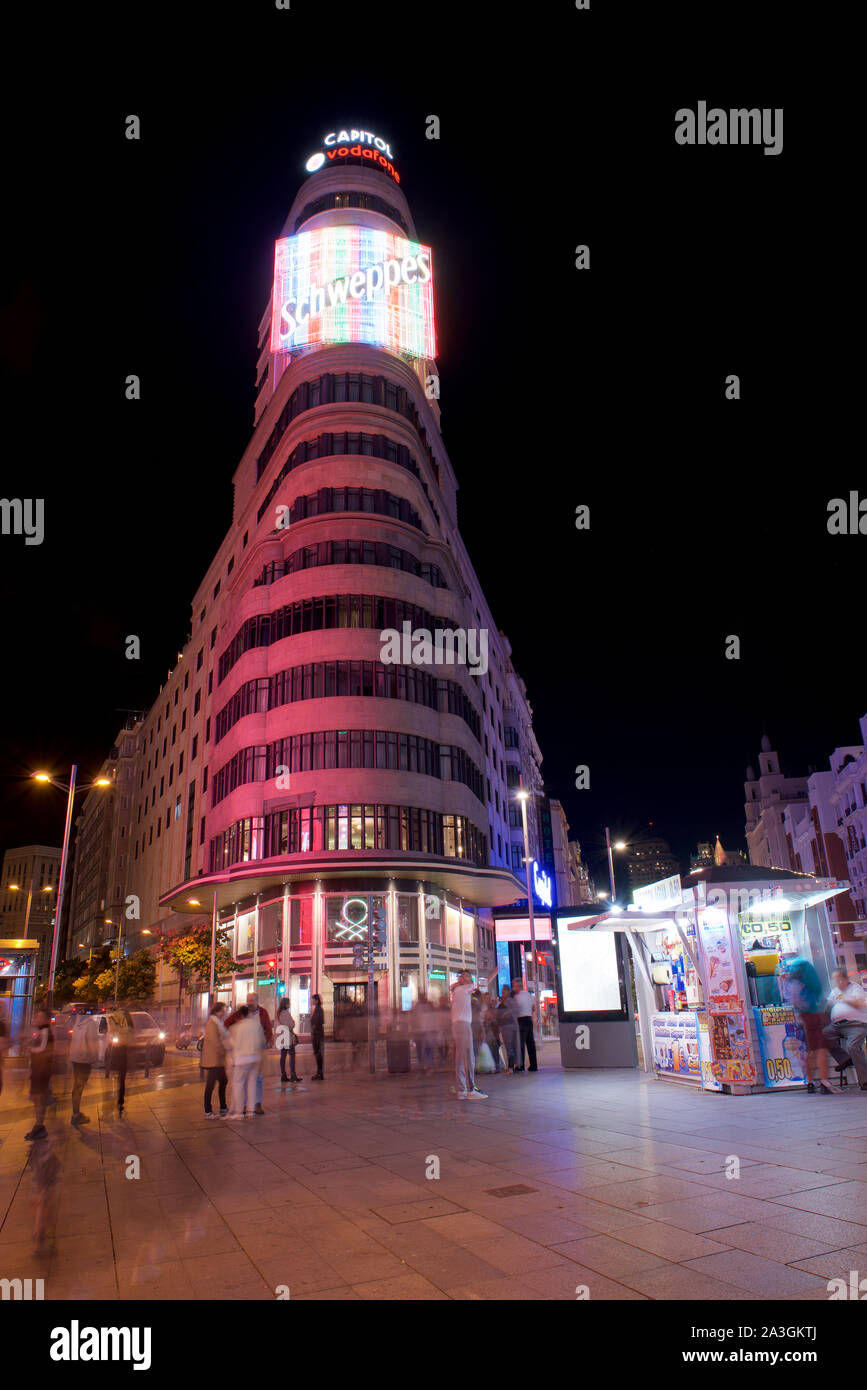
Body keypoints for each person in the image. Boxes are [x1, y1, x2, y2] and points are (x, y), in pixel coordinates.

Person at [783, 958, 834, 1094]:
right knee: (821, 1049)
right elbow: (817, 992)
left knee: (810, 1051)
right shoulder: (807, 979)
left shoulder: (791, 982)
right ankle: (824, 1081)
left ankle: (810, 1082)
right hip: (813, 1015)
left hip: (802, 1017)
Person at [226, 991, 273, 1114]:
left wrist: (267, 1041)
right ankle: (246, 1105)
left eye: (252, 1001)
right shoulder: (242, 1012)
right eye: (248, 1000)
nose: (250, 1003)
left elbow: (268, 1028)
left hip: (258, 1049)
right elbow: (227, 1023)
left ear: (257, 1001)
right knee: (248, 1080)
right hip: (247, 1051)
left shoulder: (263, 1013)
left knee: (258, 1079)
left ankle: (256, 1104)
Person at [823, 968, 867, 1090]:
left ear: (845, 979)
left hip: (856, 1024)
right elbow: (828, 1006)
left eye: (838, 979)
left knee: (853, 1046)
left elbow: (859, 1004)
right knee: (823, 1035)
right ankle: (844, 1059)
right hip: (837, 1025)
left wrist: (844, 998)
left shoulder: (855, 988)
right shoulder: (834, 992)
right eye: (834, 979)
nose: (836, 982)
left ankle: (865, 1080)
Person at [225, 1005, 265, 1118]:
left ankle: (238, 1111)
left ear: (241, 1015)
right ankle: (250, 1111)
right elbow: (262, 1041)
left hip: (241, 1059)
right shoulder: (256, 1025)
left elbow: (230, 1044)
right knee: (252, 1084)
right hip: (255, 1058)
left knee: (238, 1084)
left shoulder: (236, 1027)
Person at [451, 971, 486, 1100]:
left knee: (460, 1057)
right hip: (464, 1024)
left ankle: (461, 1090)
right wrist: (495, 972)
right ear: (461, 979)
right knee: (468, 1056)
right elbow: (482, 983)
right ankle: (471, 1089)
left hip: (456, 1024)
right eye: (467, 976)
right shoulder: (464, 989)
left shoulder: (457, 990)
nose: (470, 978)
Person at [29, 1133, 61, 1257]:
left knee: (42, 1206)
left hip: (41, 1179)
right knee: (43, 1207)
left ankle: (39, 1240)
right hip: (43, 1180)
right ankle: (39, 1245)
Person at [25, 1009, 54, 1140]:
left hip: (41, 1071)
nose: (36, 1018)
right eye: (36, 1016)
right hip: (39, 1070)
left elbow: (42, 1048)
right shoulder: (43, 1031)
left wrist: (31, 1049)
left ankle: (39, 1126)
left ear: (45, 1019)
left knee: (39, 1098)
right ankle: (39, 1126)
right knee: (38, 1098)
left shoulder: (45, 1031)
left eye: (39, 1016)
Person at [69, 1010, 99, 1126]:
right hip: (85, 1059)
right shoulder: (90, 1024)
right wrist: (95, 1058)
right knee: (79, 1086)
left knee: (77, 1086)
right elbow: (92, 1043)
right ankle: (76, 1115)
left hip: (76, 1058)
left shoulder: (77, 1024)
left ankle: (75, 1112)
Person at [202, 1001, 229, 1117]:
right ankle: (208, 1110)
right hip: (212, 1060)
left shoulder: (219, 1022)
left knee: (223, 1081)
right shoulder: (212, 1023)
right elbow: (215, 1042)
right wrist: (224, 1052)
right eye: (223, 1011)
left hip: (218, 1060)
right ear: (217, 1011)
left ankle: (223, 1107)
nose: (224, 1013)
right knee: (210, 1084)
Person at [106, 1002, 134, 1116]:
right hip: (121, 1047)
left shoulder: (116, 1015)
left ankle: (119, 1100)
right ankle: (120, 1100)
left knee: (120, 1076)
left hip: (120, 1048)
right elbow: (130, 1030)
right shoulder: (114, 1016)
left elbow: (128, 1030)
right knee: (121, 1076)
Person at [512, 979, 538, 1073]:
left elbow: (515, 1010)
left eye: (514, 986)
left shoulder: (517, 997)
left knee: (520, 1044)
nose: (513, 988)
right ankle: (534, 1065)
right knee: (530, 1044)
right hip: (529, 1019)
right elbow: (533, 1007)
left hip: (521, 1020)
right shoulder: (529, 995)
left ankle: (520, 1065)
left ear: (518, 986)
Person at [275, 997, 300, 1086]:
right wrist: (293, 1022)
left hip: (282, 1037)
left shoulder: (279, 1013)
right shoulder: (285, 1013)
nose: (289, 1005)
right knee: (292, 1055)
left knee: (283, 1056)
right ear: (286, 1004)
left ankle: (283, 1074)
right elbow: (290, 1025)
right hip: (287, 1037)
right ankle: (293, 1075)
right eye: (289, 1003)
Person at [496, 985, 520, 1073]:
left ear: (508, 992)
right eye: (502, 991)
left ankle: (511, 1066)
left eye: (505, 991)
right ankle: (510, 1066)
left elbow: (515, 1011)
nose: (503, 992)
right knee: (508, 1046)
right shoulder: (501, 1002)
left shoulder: (510, 1001)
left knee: (510, 1046)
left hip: (510, 1026)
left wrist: (506, 1013)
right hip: (504, 1027)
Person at [482, 992, 503, 1074]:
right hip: (487, 1032)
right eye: (486, 998)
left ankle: (496, 1066)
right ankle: (491, 1067)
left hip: (494, 1033)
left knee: (495, 1049)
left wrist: (492, 1019)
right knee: (490, 1049)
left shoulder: (493, 1009)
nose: (488, 1000)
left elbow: (497, 1021)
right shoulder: (484, 1010)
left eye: (489, 998)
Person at [309, 994, 325, 1080]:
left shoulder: (319, 1010)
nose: (311, 1001)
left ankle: (320, 1073)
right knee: (318, 1054)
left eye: (312, 1000)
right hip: (317, 1035)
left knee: (318, 1054)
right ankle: (319, 1073)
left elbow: (318, 1022)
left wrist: (314, 1030)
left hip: (318, 1035)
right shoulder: (317, 1010)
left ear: (316, 1001)